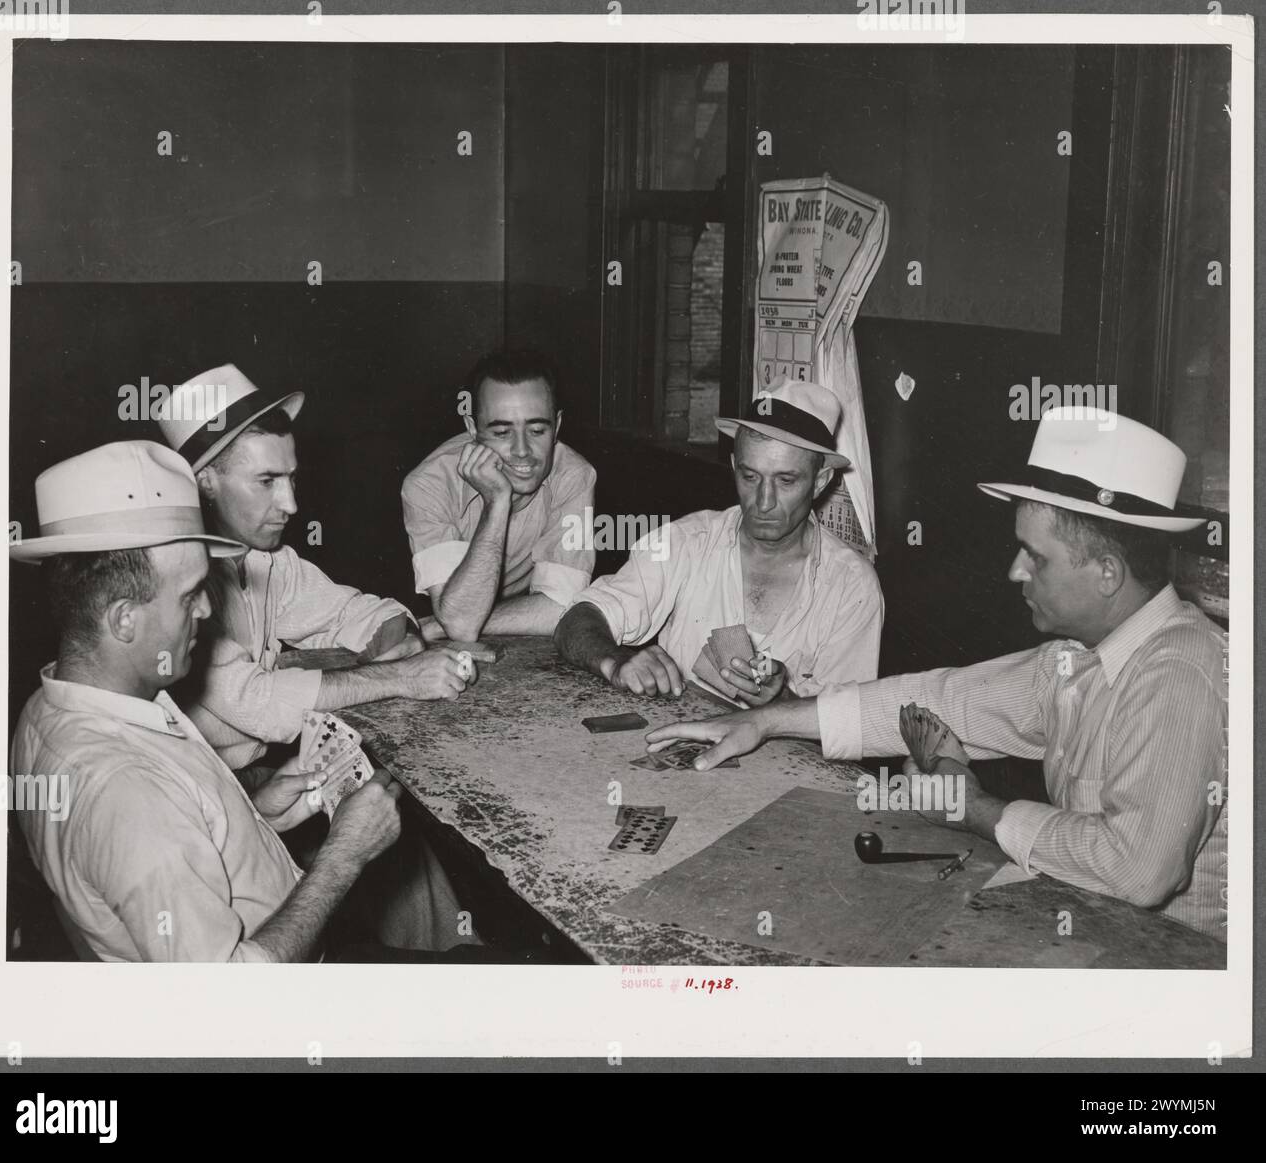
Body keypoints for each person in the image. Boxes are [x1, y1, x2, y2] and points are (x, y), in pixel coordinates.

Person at [647, 407, 1227, 939]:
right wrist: (768, 722)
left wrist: (973, 810)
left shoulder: (1179, 674)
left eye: (1036, 556)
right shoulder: (1076, 658)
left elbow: (1140, 870)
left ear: (1107, 572)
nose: (1015, 571)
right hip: (1092, 930)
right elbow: (939, 697)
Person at [10, 441, 404, 961]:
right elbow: (225, 1003)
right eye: (191, 592)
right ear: (124, 619)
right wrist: (344, 857)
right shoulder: (125, 794)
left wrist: (257, 815)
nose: (205, 609)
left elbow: (174, 852)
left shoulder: (54, 706)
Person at [158, 364, 472, 774]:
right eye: (267, 481)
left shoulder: (268, 562)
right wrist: (400, 676)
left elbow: (354, 611)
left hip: (252, 777)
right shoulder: (175, 587)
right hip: (187, 789)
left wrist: (403, 642)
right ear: (205, 482)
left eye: (291, 479)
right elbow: (260, 703)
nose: (291, 505)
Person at [554, 378, 883, 706]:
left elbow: (850, 726)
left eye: (785, 480)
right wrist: (616, 661)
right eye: (750, 477)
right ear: (733, 468)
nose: (763, 501)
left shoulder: (851, 586)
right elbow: (578, 619)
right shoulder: (685, 543)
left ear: (820, 481)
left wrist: (782, 698)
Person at [402, 349, 596, 641]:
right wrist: (497, 502)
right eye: (502, 433)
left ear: (556, 426)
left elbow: (562, 607)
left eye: (537, 430)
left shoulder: (574, 476)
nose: (521, 450)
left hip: (463, 619)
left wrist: (436, 625)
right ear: (472, 429)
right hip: (439, 605)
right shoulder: (428, 485)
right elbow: (460, 624)